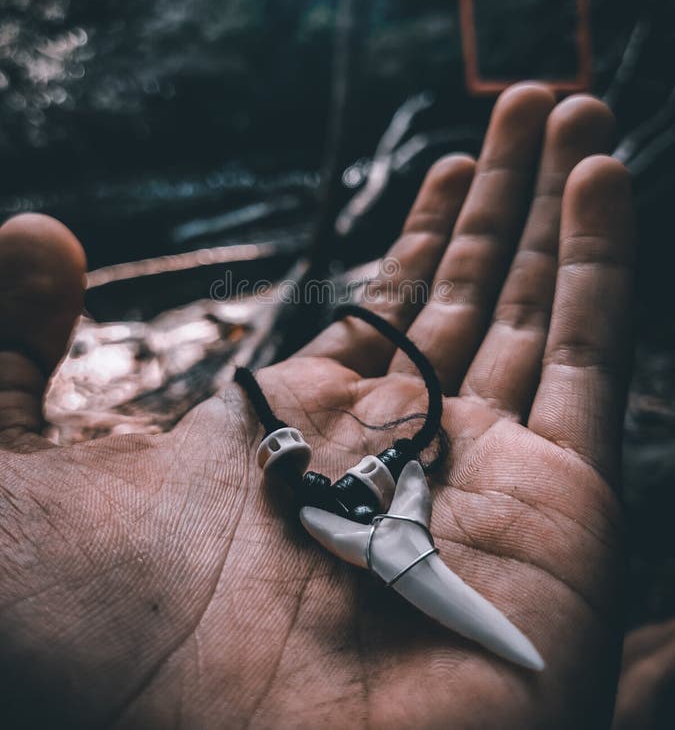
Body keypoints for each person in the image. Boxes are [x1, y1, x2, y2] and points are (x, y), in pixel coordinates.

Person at [0, 83, 634, 728]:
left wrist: (401, 474)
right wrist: (399, 475)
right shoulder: (328, 521)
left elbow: (401, 487)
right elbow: (395, 490)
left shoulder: (331, 518)